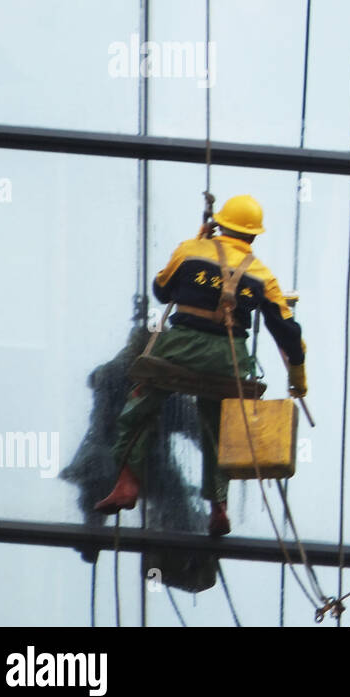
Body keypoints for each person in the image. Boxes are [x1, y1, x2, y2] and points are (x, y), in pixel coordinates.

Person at [94, 194, 307, 536]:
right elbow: (288, 332)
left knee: (141, 404)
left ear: (218, 225)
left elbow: (162, 291)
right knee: (219, 429)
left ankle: (126, 483)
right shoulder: (262, 276)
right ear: (253, 236)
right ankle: (218, 505)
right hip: (230, 360)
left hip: (179, 349)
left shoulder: (189, 251)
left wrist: (198, 240)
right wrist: (299, 379)